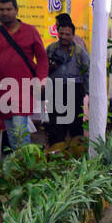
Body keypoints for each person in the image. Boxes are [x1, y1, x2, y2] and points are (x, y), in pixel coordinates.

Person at [0, 0, 49, 153]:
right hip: (2, 89)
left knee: (19, 130)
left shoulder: (30, 31)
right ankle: (22, 167)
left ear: (16, 10)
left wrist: (41, 81)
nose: (5, 13)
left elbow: (42, 59)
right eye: (1, 9)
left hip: (24, 88)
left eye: (8, 9)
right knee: (12, 134)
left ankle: (27, 165)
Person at [45, 16, 89, 144]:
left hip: (74, 89)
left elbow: (88, 71)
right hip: (55, 89)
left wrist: (88, 92)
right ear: (57, 33)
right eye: (61, 33)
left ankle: (76, 155)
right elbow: (42, 68)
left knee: (75, 124)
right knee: (55, 124)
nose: (63, 36)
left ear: (73, 35)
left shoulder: (80, 52)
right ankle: (56, 153)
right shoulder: (51, 49)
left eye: (67, 34)